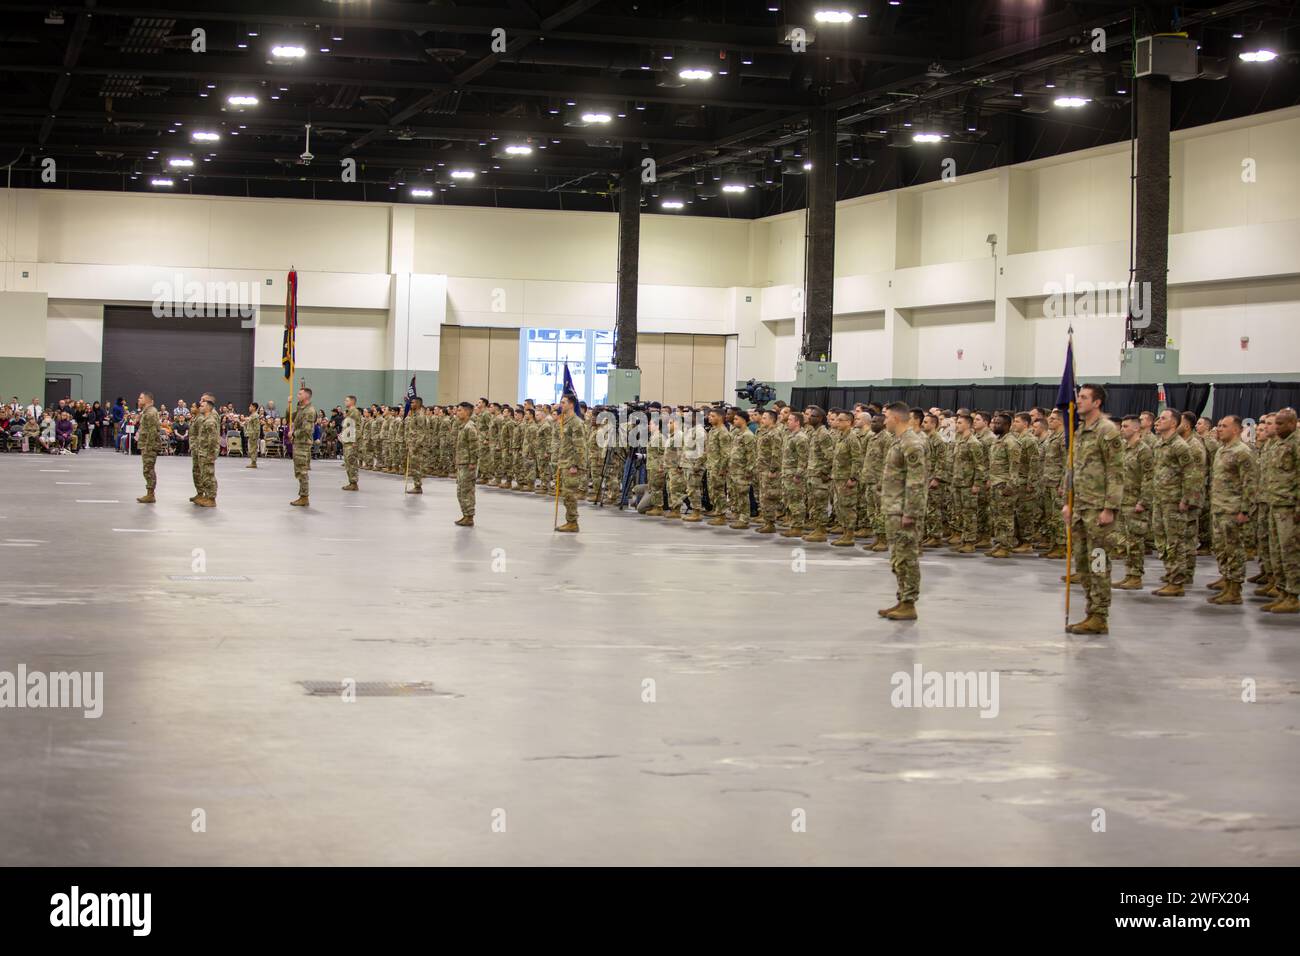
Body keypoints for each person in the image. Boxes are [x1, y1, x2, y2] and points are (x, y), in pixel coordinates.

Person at [1062, 384, 1123, 635]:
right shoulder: (1080, 431)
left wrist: (1109, 508)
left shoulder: (1106, 431)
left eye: (1085, 397)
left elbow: (1116, 471)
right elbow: (1072, 469)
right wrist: (1068, 502)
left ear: (1097, 402)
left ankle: (1099, 615)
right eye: (1079, 396)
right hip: (1080, 509)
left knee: (1099, 563)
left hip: (1098, 510)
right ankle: (1090, 611)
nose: (1079, 401)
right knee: (1083, 564)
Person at [876, 401, 928, 620]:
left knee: (907, 557)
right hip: (893, 508)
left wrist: (911, 512)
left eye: (886, 417)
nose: (884, 421)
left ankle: (909, 603)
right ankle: (902, 600)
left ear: (896, 418)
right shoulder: (898, 441)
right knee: (898, 557)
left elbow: (917, 481)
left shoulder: (911, 443)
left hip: (903, 510)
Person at [556, 393, 587, 532]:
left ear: (571, 404)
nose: (561, 405)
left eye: (563, 402)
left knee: (569, 494)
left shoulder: (576, 422)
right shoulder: (566, 421)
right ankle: (570, 521)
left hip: (572, 464)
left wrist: (575, 465)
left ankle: (573, 522)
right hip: (565, 462)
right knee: (566, 494)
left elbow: (579, 446)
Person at [191, 395, 220, 507]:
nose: (200, 406)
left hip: (207, 452)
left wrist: (211, 454)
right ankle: (207, 496)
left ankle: (211, 499)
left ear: (208, 406)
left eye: (202, 404)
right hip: (202, 450)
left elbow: (213, 439)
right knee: (204, 474)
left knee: (209, 475)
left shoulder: (210, 421)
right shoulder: (205, 419)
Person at [290, 386, 317, 506]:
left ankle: (304, 497)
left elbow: (307, 430)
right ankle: (302, 495)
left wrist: (294, 433)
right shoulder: (302, 409)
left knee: (302, 471)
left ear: (306, 396)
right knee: (299, 470)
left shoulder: (309, 411)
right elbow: (293, 418)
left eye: (300, 394)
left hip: (303, 443)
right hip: (299, 443)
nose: (298, 395)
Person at [453, 401, 478, 526]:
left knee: (467, 491)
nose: (457, 412)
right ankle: (465, 515)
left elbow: (474, 447)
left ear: (467, 412)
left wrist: (473, 462)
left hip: (468, 464)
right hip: (462, 463)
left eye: (460, 410)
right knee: (461, 491)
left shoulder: (470, 427)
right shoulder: (463, 426)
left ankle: (469, 516)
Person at [137, 392, 161, 503]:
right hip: (146, 445)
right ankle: (150, 493)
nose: (138, 399)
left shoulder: (150, 413)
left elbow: (152, 432)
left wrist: (148, 447)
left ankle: (150, 494)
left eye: (141, 398)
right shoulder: (146, 412)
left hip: (149, 446)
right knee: (147, 469)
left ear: (147, 400)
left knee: (148, 470)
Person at [341, 395, 362, 491]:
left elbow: (356, 428)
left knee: (351, 462)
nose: (345, 402)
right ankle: (351, 482)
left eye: (347, 400)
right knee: (348, 462)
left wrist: (355, 441)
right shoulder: (350, 412)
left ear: (352, 402)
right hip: (347, 440)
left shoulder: (355, 412)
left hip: (351, 441)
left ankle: (354, 483)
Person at [243, 403, 262, 468]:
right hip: (251, 434)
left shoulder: (255, 416)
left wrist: (255, 436)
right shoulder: (252, 415)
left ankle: (253, 463)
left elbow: (257, 427)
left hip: (253, 435)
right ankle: (253, 462)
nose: (249, 407)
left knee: (253, 449)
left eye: (250, 406)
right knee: (251, 449)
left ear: (254, 408)